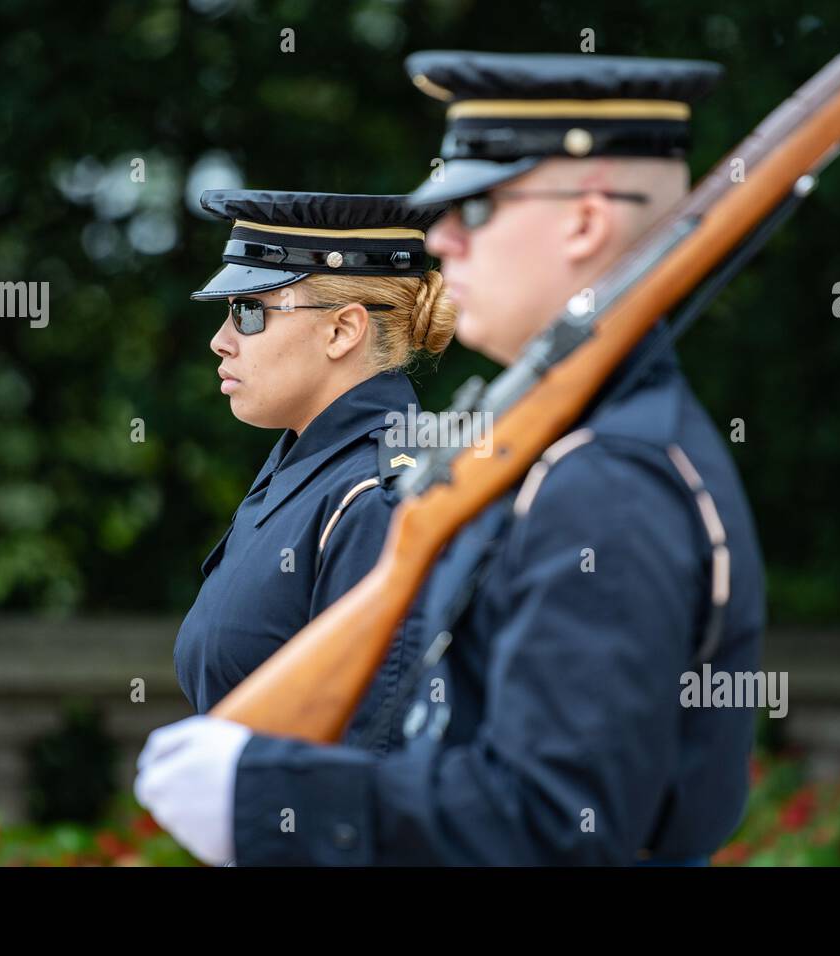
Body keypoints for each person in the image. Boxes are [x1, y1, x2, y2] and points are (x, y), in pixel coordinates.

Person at [137, 52, 766, 866]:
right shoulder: (573, 450)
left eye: (478, 206)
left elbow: (553, 821)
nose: (441, 239)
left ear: (584, 220)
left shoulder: (605, 481)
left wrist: (268, 794)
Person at [173, 190, 456, 754]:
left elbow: (378, 756)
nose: (220, 341)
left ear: (342, 331)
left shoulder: (377, 495)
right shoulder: (309, 465)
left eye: (248, 311)